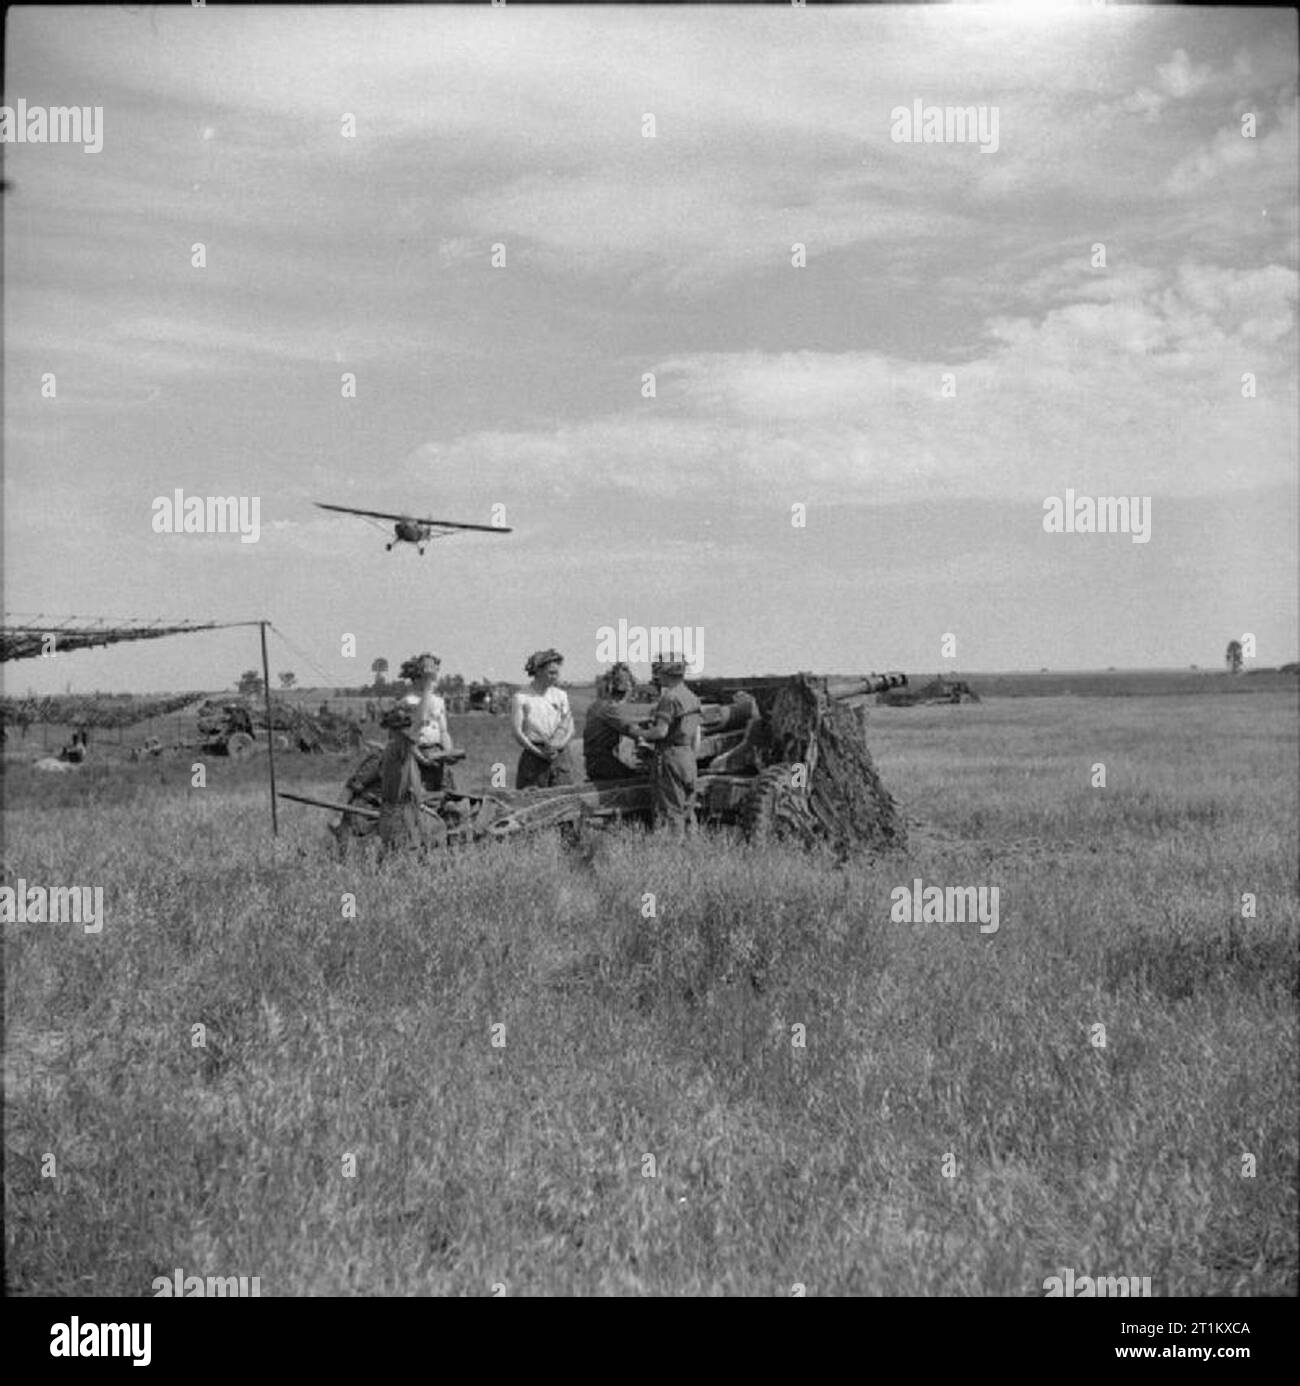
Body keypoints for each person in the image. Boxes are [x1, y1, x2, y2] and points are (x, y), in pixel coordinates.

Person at [636, 652, 702, 837]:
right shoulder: (692, 697)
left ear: (666, 673)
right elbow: (697, 733)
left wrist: (641, 734)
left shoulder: (670, 698)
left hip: (670, 756)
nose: (657, 676)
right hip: (688, 756)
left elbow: (660, 732)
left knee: (671, 810)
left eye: (659, 671)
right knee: (688, 809)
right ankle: (693, 849)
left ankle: (673, 854)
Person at [511, 648, 575, 788]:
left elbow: (570, 726)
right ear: (538, 671)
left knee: (565, 801)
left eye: (557, 673)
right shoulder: (521, 697)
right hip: (534, 758)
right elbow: (517, 732)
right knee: (532, 801)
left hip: (560, 757)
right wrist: (539, 753)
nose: (555, 677)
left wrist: (559, 746)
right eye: (551, 673)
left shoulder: (561, 695)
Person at [398, 652, 454, 792]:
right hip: (417, 753)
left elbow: (443, 731)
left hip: (436, 753)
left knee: (443, 793)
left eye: (433, 675)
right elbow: (414, 727)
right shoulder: (408, 702)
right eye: (426, 676)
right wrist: (421, 758)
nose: (432, 679)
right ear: (416, 678)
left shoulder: (439, 701)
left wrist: (448, 752)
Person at [583, 662, 646, 782]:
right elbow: (631, 730)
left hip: (593, 762)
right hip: (602, 764)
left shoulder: (597, 705)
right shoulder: (610, 709)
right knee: (641, 778)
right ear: (628, 690)